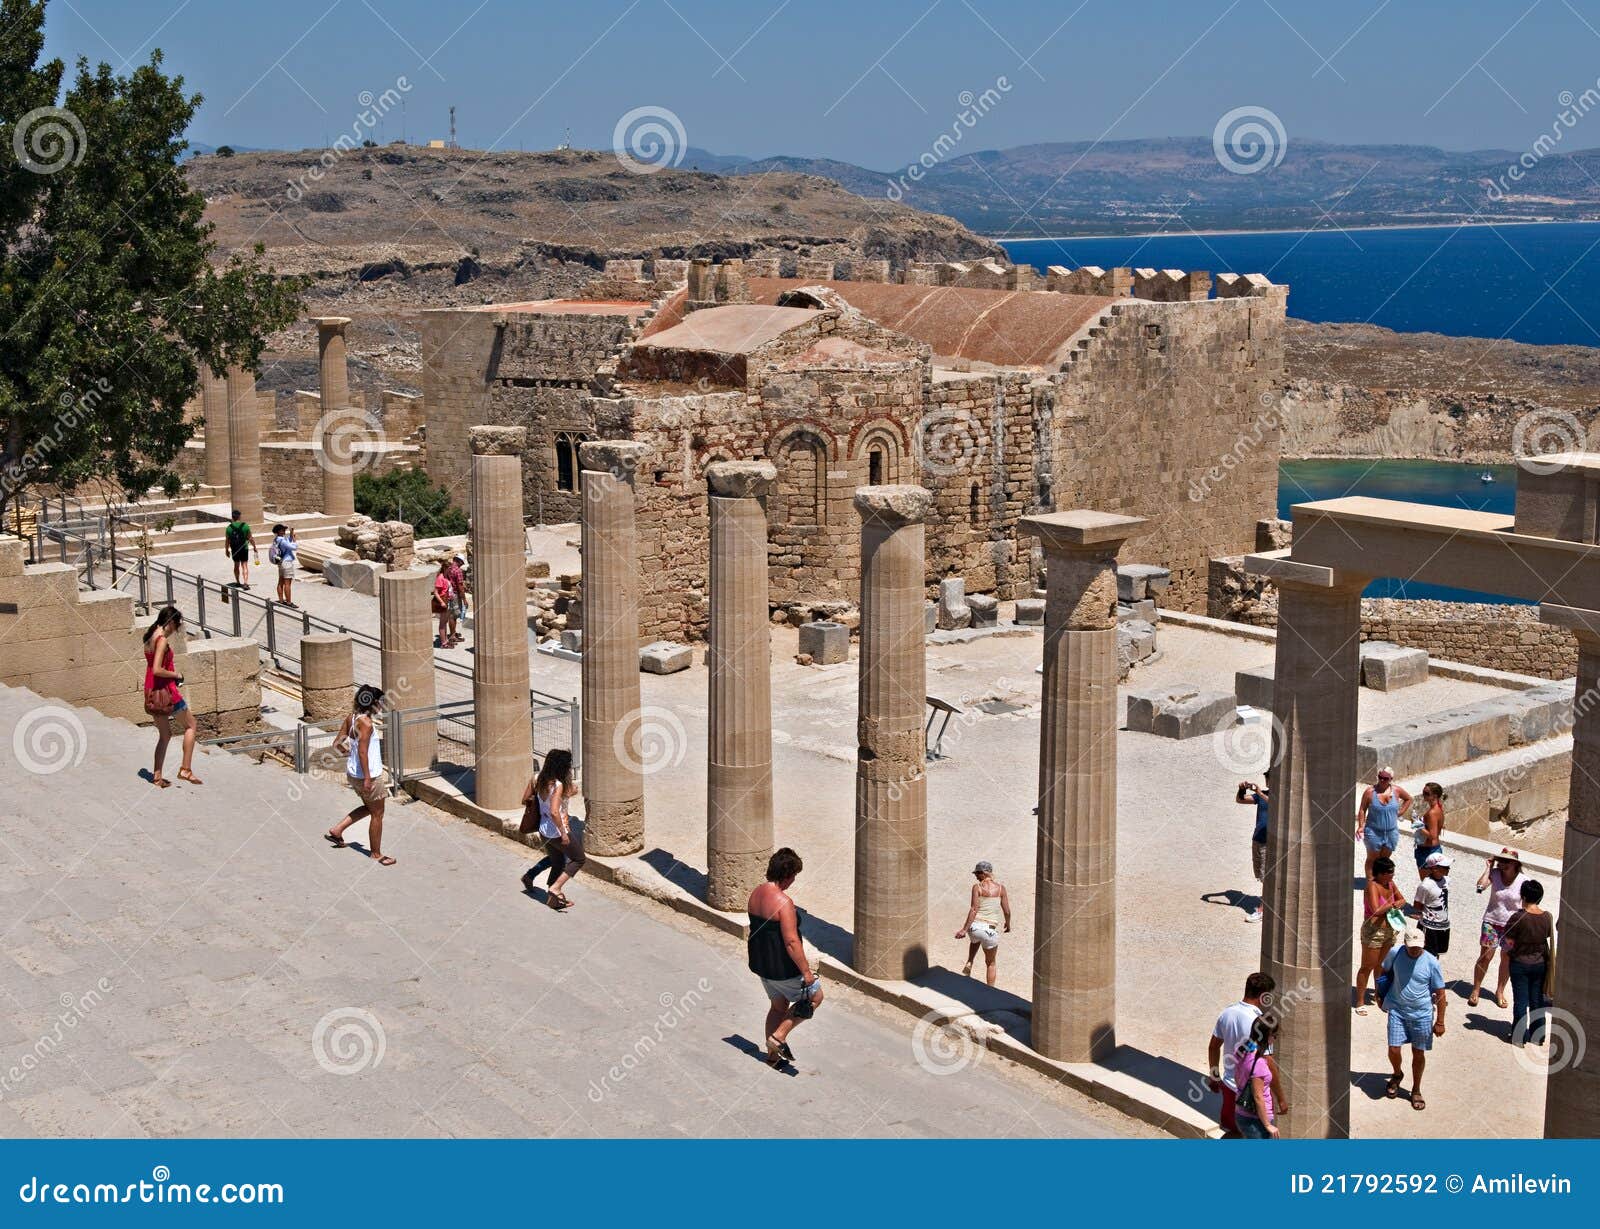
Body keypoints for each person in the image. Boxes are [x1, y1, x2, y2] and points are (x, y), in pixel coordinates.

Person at [747, 847, 822, 1068]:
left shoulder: (756, 893)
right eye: (794, 876)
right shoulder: (783, 902)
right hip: (782, 967)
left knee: (778, 1007)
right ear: (787, 875)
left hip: (761, 963)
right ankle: (779, 1037)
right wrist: (806, 972)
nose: (793, 881)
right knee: (815, 997)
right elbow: (791, 942)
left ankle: (772, 1057)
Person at [1381, 922, 1447, 1111]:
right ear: (1405, 943)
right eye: (1411, 947)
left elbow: (1440, 993)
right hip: (1398, 1010)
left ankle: (1416, 1089)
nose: (1415, 950)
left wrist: (1440, 1021)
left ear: (1423, 944)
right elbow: (1384, 971)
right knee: (1393, 1049)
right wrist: (1380, 994)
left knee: (1418, 1053)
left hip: (1422, 1014)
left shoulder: (1432, 962)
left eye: (1418, 947)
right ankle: (1397, 1074)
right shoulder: (1395, 953)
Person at [325, 684, 394, 865]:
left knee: (369, 808)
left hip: (353, 773)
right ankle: (376, 854)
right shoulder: (367, 724)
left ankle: (337, 830)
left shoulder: (352, 717)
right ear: (373, 703)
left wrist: (348, 753)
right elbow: (363, 752)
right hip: (368, 776)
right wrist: (368, 778)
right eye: (381, 702)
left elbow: (336, 743)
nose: (382, 706)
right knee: (378, 814)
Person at [1206, 971, 1275, 1138]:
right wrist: (1280, 1097)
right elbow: (1268, 1062)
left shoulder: (1227, 1013)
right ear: (1263, 996)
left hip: (1229, 1087)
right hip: (1249, 1094)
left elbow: (1213, 1047)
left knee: (1233, 1131)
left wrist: (1214, 1076)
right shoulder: (1260, 1023)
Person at [143, 606, 201, 788]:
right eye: (177, 625)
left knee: (165, 735)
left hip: (151, 691)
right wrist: (176, 675)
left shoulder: (150, 636)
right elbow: (157, 669)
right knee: (191, 725)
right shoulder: (161, 640)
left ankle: (157, 776)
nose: (176, 629)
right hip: (166, 693)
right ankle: (185, 769)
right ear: (170, 623)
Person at [519, 749, 584, 910]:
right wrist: (563, 833)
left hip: (543, 828)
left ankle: (548, 895)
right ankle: (555, 888)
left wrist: (542, 802)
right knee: (578, 859)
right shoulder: (558, 785)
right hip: (556, 830)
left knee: (557, 861)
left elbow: (524, 800)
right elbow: (555, 811)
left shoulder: (536, 779)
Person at [1469, 848, 1526, 1009]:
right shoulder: (1494, 874)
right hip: (1491, 922)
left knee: (1506, 959)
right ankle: (1476, 989)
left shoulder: (1524, 881)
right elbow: (1479, 887)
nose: (1502, 863)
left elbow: (1526, 905)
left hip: (1512, 926)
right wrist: (1488, 867)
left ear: (1515, 864)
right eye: (1500, 860)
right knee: (1485, 956)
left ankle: (1500, 991)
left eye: (1506, 861)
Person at [1501, 879, 1553, 1046]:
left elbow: (1508, 941)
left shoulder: (1518, 917)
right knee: (1537, 1000)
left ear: (1523, 896)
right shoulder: (1547, 917)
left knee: (1521, 1001)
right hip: (1540, 964)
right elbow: (1546, 936)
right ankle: (1538, 1036)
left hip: (1520, 964)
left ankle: (1518, 1037)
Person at [1354, 856, 1407, 1014]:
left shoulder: (1390, 883)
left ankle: (1379, 996)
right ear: (1381, 873)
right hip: (1374, 931)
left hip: (1389, 930)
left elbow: (1402, 899)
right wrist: (1393, 904)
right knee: (1367, 966)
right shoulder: (1372, 886)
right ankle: (1360, 1001)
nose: (1393, 875)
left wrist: (1396, 903)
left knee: (1382, 966)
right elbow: (1376, 910)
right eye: (1390, 872)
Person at [954, 860, 1011, 986]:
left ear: (984, 873)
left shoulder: (977, 887)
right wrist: (1008, 924)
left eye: (977, 873)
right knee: (991, 963)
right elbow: (1007, 911)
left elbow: (974, 909)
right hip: (990, 930)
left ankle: (970, 961)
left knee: (976, 938)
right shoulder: (1001, 889)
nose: (976, 876)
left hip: (974, 927)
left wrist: (964, 929)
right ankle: (990, 991)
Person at [1232, 1015, 1286, 1139]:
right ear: (1266, 1036)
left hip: (1241, 1112)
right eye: (1274, 1036)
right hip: (1256, 1119)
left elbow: (1237, 1077)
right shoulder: (1259, 1063)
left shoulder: (1241, 1051)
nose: (1274, 1039)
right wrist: (1267, 1125)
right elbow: (1258, 1096)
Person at [1356, 766, 1410, 882]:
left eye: (1385, 778)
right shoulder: (1370, 792)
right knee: (1372, 858)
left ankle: (1380, 881)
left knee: (1384, 859)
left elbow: (1408, 799)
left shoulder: (1396, 791)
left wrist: (1400, 812)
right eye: (1380, 777)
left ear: (1391, 779)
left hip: (1391, 832)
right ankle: (1370, 883)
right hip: (1373, 831)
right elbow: (1362, 810)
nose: (1382, 780)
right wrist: (1361, 826)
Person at [1236, 770, 1272, 922]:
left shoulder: (1281, 797)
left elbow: (1275, 805)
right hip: (1257, 839)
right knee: (1260, 875)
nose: (1268, 780)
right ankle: (1269, 904)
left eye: (1270, 777)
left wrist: (1259, 792)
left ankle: (1263, 910)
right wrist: (1242, 789)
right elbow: (1240, 800)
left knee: (1267, 877)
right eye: (1267, 777)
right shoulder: (1262, 795)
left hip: (1269, 843)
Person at [1413, 851, 1452, 960]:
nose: (1448, 868)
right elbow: (1417, 905)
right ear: (1434, 868)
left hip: (1444, 925)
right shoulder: (1425, 886)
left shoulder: (1446, 880)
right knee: (1425, 954)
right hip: (1429, 927)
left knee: (1437, 954)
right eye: (1445, 866)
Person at [1412, 782, 1447, 869]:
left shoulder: (1432, 813)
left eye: (1427, 793)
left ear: (1435, 796)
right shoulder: (1438, 808)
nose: (1424, 795)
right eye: (1423, 792)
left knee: (1427, 877)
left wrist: (1417, 824)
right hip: (1432, 849)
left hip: (1428, 851)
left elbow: (1432, 836)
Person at [223, 510, 257, 589]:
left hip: (234, 549)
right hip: (244, 548)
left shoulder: (229, 528)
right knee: (244, 565)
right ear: (239, 516)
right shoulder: (245, 526)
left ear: (232, 517)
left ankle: (238, 582)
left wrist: (226, 550)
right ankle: (245, 583)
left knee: (236, 565)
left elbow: (227, 541)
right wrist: (254, 547)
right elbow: (250, 538)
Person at [270, 524, 299, 607]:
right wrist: (295, 540)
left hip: (281, 562)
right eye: (283, 530)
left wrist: (291, 532)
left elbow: (288, 541)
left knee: (280, 582)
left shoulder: (277, 539)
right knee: (287, 583)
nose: (284, 531)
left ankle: (281, 600)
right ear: (279, 531)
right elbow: (293, 547)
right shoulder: (282, 540)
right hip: (287, 563)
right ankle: (289, 602)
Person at [444, 554, 468, 647]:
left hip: (448, 593)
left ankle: (452, 633)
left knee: (451, 615)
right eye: (462, 563)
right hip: (454, 595)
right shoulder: (458, 571)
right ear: (459, 561)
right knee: (453, 616)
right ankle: (452, 636)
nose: (462, 565)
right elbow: (460, 586)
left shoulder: (448, 568)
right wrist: (464, 599)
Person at [433, 563, 454, 649]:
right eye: (450, 568)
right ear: (445, 568)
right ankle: (443, 643)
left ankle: (446, 640)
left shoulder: (446, 577)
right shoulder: (440, 578)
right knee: (442, 623)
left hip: (448, 601)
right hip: (444, 602)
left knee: (445, 622)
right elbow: (435, 592)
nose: (451, 570)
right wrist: (441, 602)